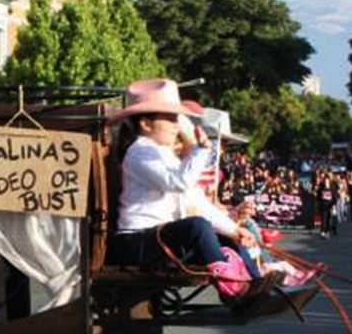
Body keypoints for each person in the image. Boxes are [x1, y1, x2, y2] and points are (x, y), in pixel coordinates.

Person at [106, 79, 265, 303]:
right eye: (170, 118)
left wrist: (233, 230)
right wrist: (201, 150)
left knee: (226, 237)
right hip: (136, 242)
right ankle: (234, 292)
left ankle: (257, 284)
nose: (176, 125)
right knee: (198, 226)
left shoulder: (162, 154)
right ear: (146, 124)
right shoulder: (139, 153)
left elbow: (195, 200)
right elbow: (179, 183)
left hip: (158, 238)